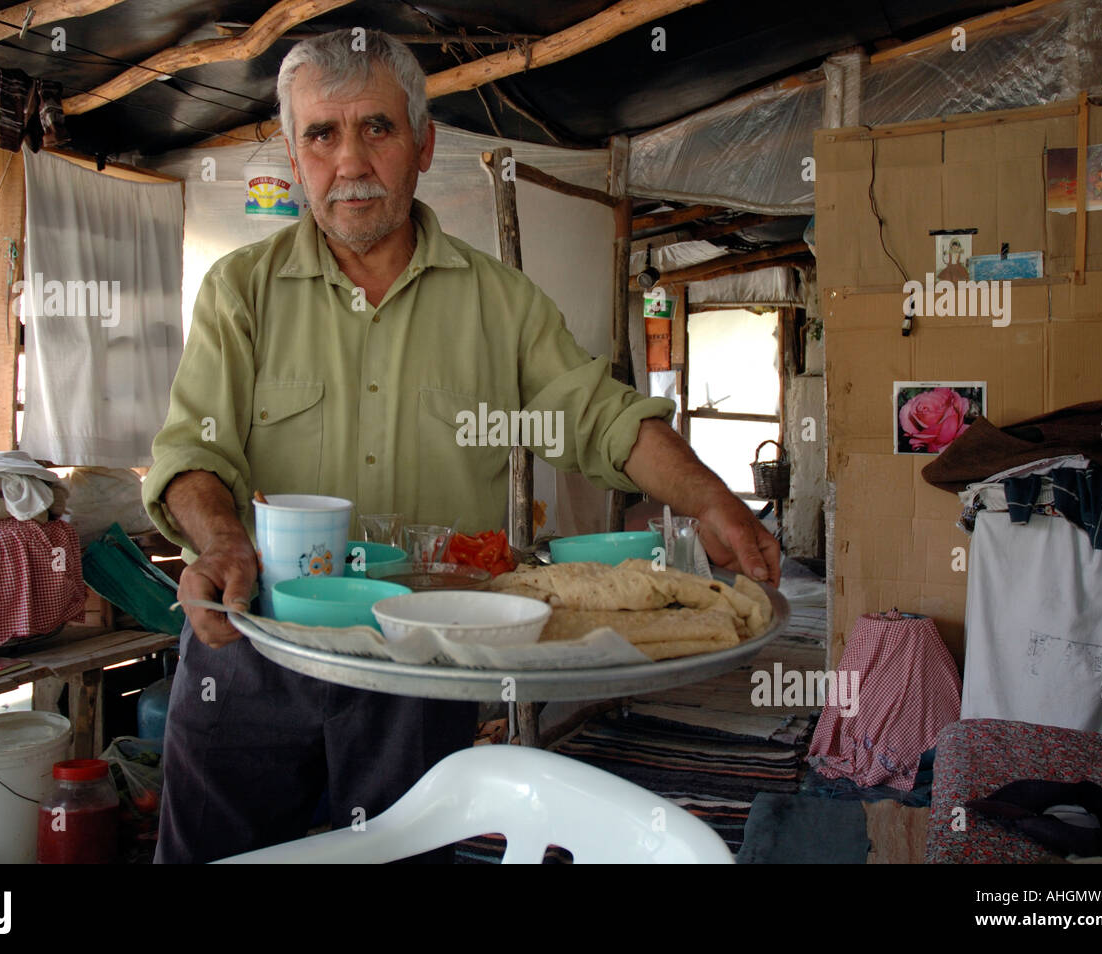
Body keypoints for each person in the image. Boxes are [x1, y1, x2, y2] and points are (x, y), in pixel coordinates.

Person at [142, 28, 780, 864]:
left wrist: (710, 498)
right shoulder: (241, 291)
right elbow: (194, 448)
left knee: (406, 857)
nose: (350, 161)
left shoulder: (501, 302)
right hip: (254, 643)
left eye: (377, 128)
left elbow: (596, 414)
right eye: (321, 136)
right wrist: (221, 540)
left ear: (423, 144)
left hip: (424, 660)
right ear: (296, 160)